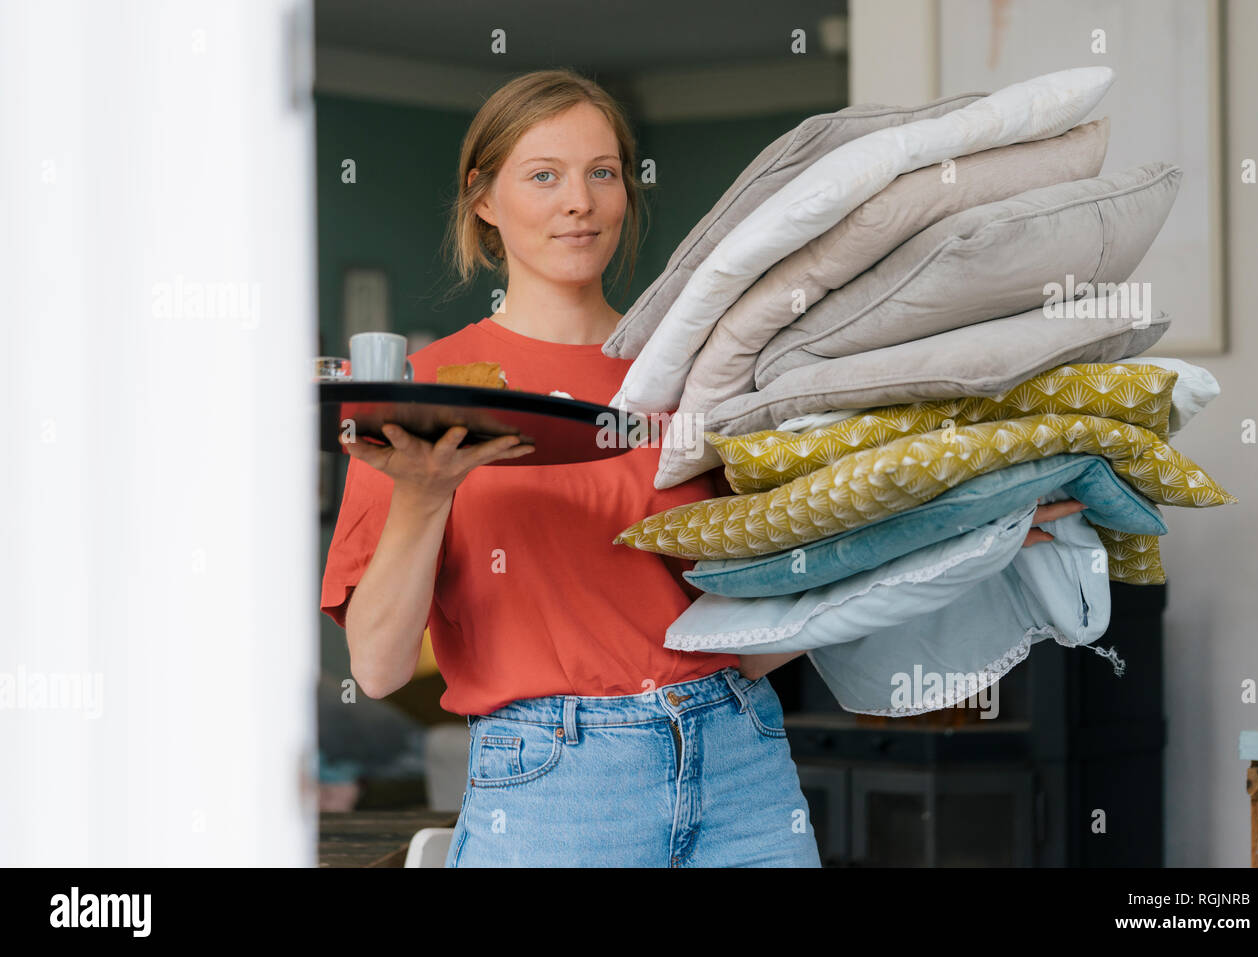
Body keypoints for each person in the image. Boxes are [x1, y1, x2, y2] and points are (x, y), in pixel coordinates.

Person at [320, 68, 1084, 868]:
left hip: (739, 765)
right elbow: (376, 668)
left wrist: (963, 526)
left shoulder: (698, 372)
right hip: (554, 793)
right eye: (543, 176)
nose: (578, 201)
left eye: (602, 172)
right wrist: (426, 491)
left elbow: (755, 627)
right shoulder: (419, 398)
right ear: (483, 200)